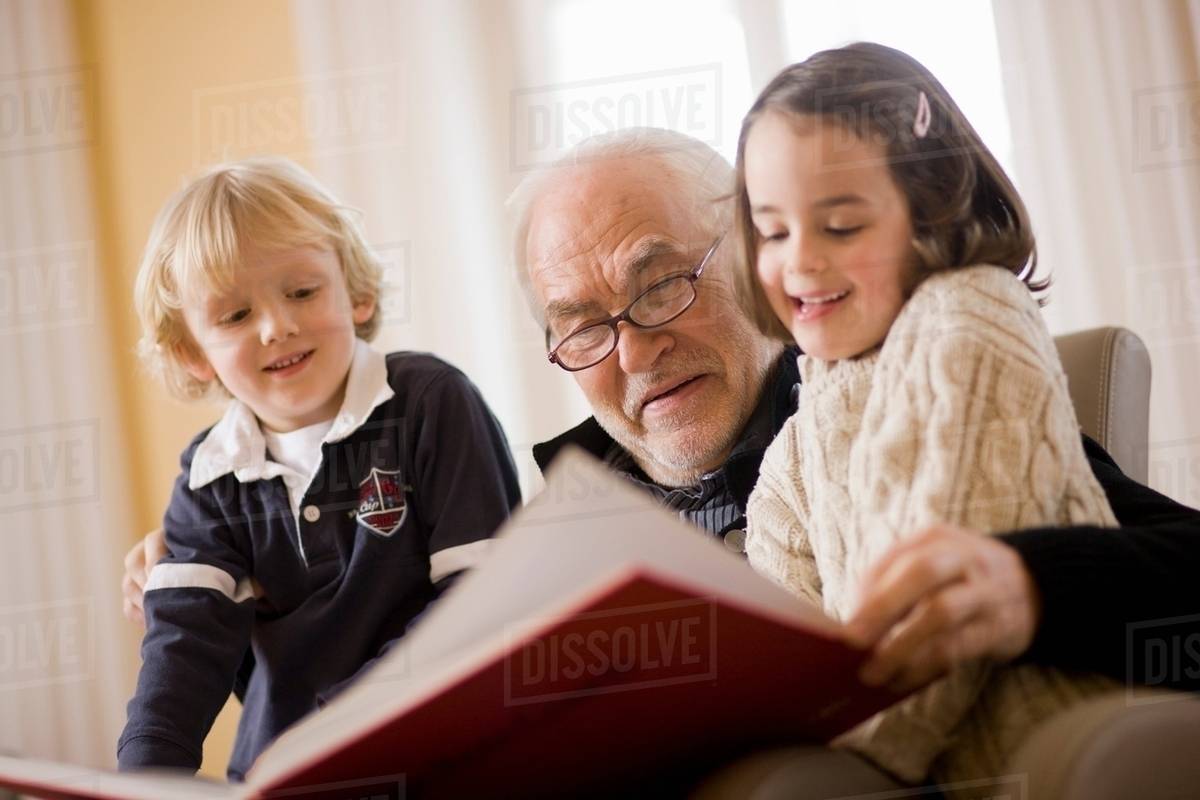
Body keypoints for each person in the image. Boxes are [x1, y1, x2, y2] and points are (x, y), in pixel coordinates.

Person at [120, 128, 1200, 789]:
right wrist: (204, 555)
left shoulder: (909, 402)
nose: (632, 348)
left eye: (659, 283)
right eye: (581, 322)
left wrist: (1026, 584)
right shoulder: (559, 519)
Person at [735, 41, 1132, 792]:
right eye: (773, 230)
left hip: (1039, 762)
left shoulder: (971, 320)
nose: (801, 262)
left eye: (842, 226)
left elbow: (938, 646)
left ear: (930, 211)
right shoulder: (790, 453)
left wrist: (819, 755)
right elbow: (798, 667)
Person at [118, 157, 520, 780]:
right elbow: (182, 655)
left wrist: (337, 727)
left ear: (355, 293)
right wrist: (144, 780)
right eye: (235, 316)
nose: (278, 326)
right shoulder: (207, 482)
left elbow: (480, 606)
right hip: (281, 775)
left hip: (440, 757)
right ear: (194, 353)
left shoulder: (430, 403)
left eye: (302, 292)